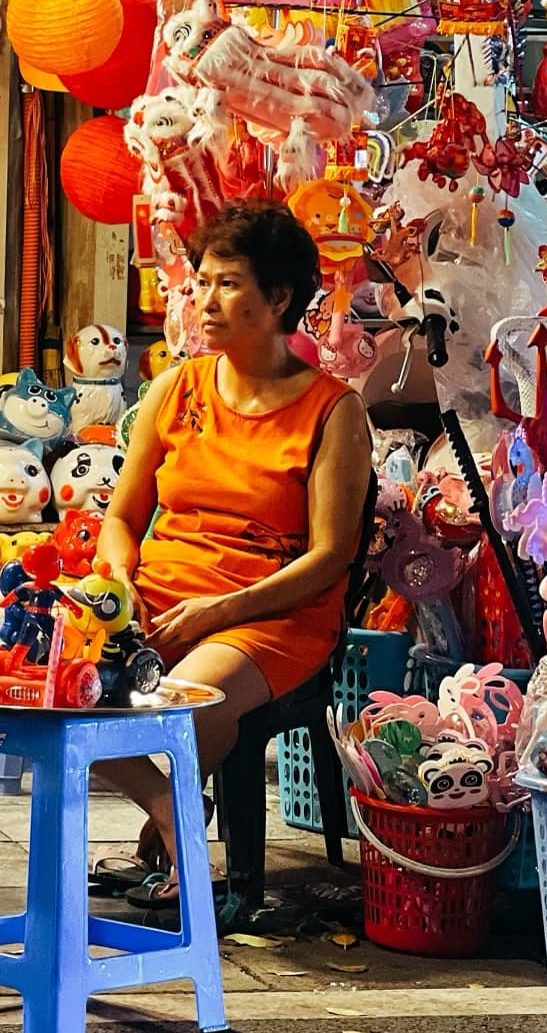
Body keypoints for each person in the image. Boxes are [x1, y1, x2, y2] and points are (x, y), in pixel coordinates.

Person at [96, 200, 372, 896]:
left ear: (278, 297)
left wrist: (218, 609)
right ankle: (171, 808)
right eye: (201, 279)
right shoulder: (175, 388)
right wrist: (118, 577)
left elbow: (331, 555)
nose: (203, 298)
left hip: (273, 609)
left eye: (226, 282)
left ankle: (176, 831)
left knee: (189, 702)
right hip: (159, 593)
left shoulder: (333, 410)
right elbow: (122, 517)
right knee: (38, 681)